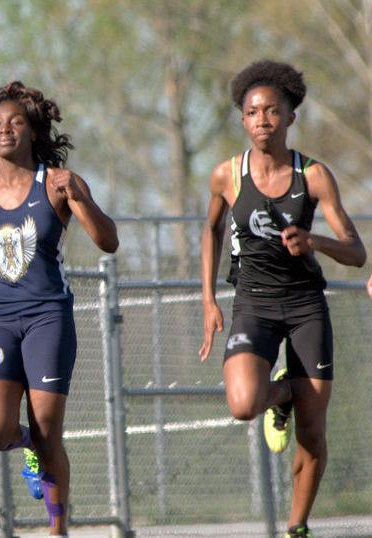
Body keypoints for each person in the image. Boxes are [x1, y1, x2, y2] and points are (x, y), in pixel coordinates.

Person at [0, 81, 118, 537]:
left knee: (50, 430)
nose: (5, 129)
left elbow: (109, 242)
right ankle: (26, 445)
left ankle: (57, 528)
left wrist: (81, 199)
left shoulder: (58, 184)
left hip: (48, 317)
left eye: (15, 121)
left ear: (32, 131)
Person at [199, 60, 366, 538]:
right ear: (242, 119)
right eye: (252, 113)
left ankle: (297, 526)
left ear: (291, 117)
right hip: (253, 303)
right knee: (242, 403)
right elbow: (209, 229)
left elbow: (356, 251)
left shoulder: (313, 176)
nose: (262, 121)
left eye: (273, 111)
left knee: (312, 436)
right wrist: (209, 298)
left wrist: (316, 243)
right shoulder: (226, 176)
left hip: (306, 307)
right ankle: (285, 392)